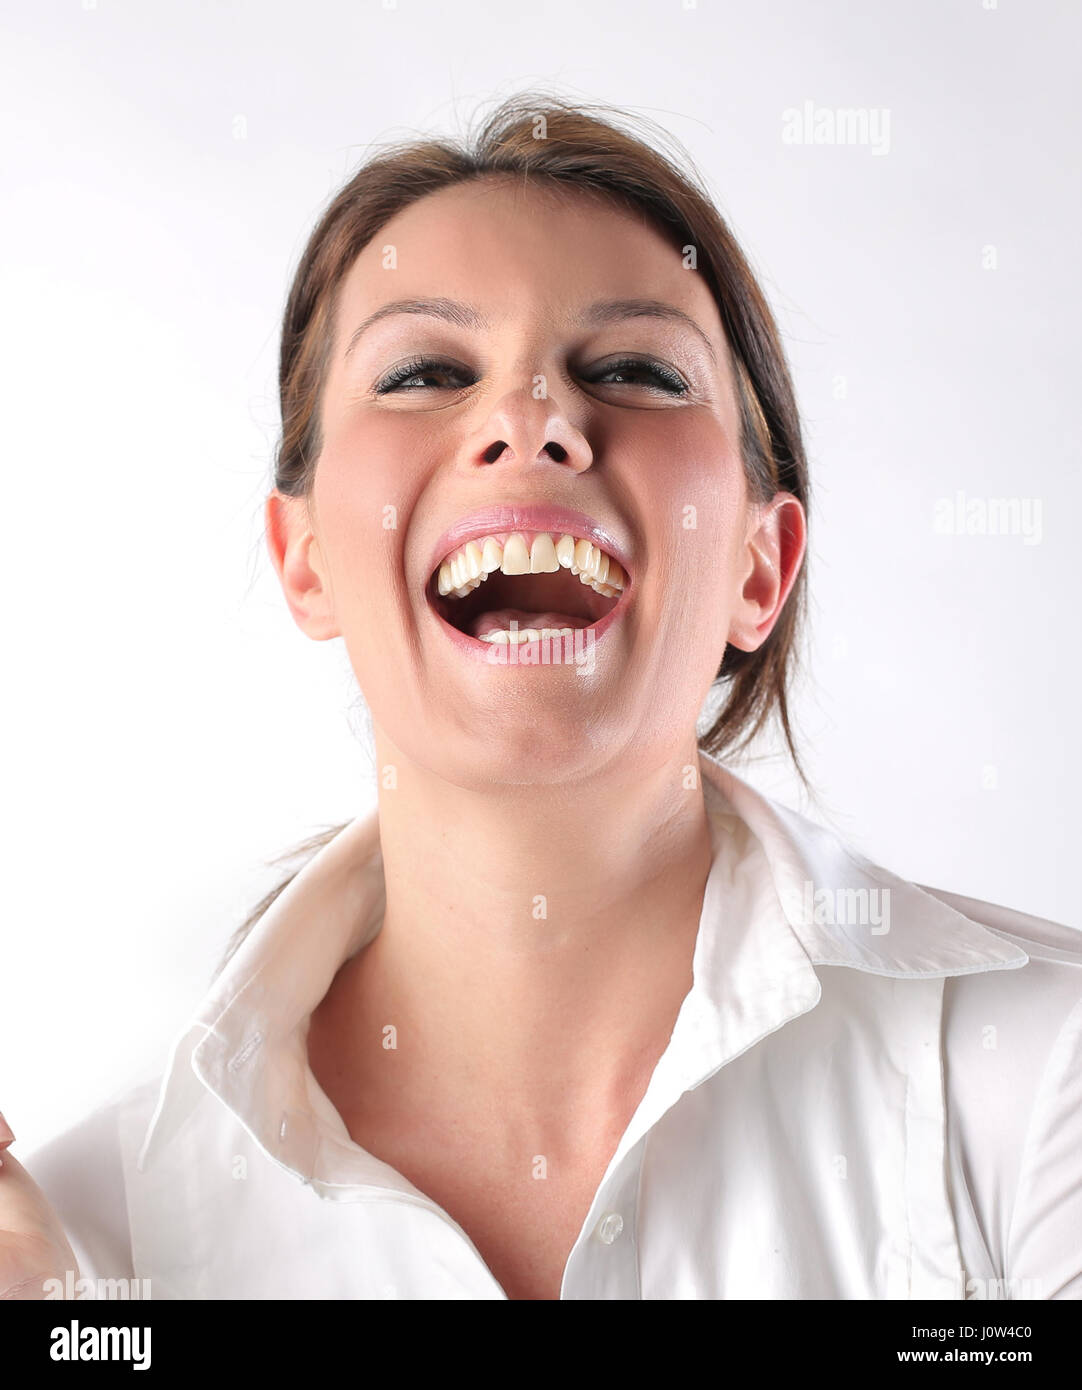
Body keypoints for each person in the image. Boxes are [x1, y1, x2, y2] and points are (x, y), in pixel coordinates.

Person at [3, 92, 1080, 1302]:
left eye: (631, 368)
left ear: (756, 568)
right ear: (304, 560)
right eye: (421, 372)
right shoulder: (88, 1247)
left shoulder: (1044, 1081)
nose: (535, 419)